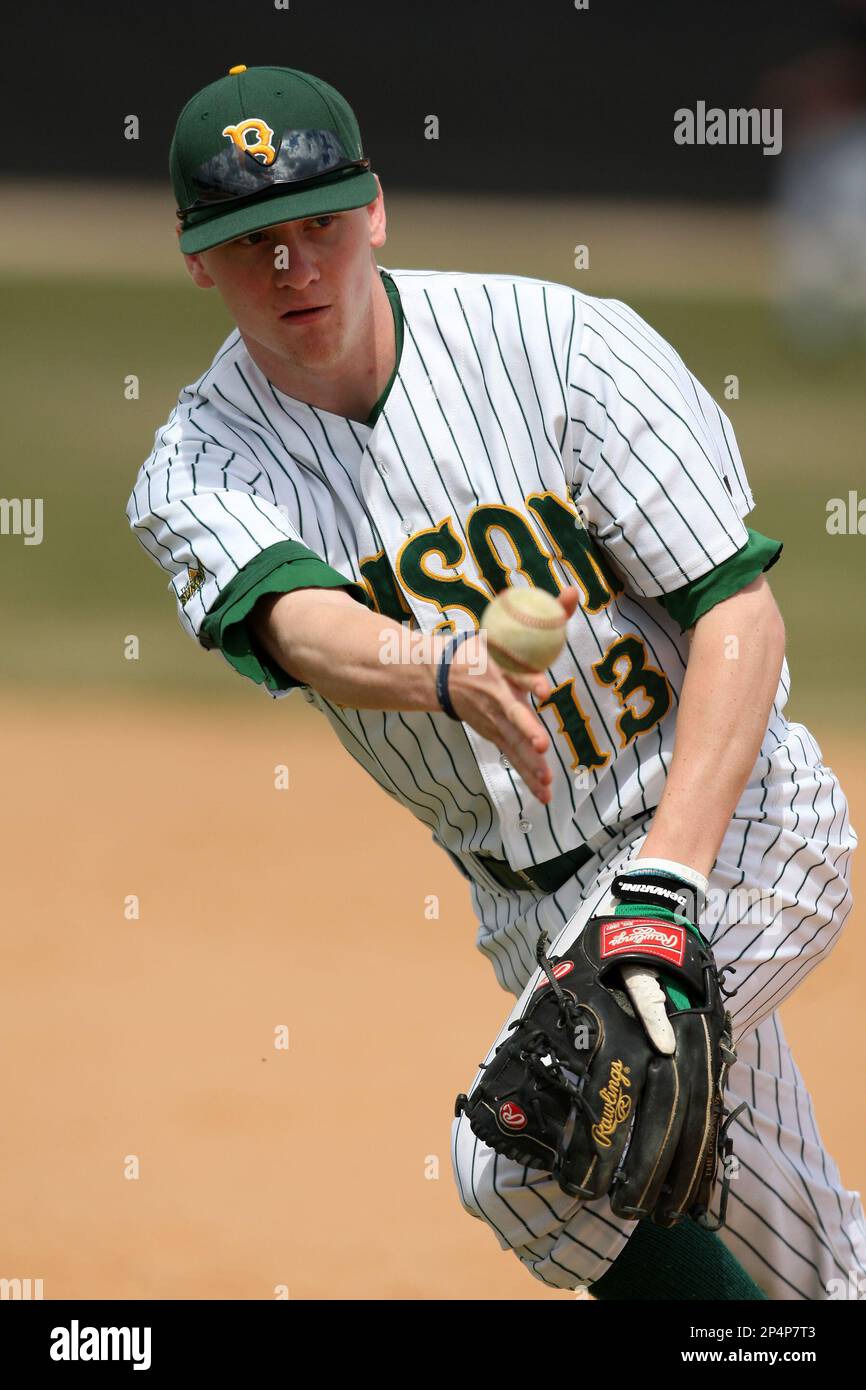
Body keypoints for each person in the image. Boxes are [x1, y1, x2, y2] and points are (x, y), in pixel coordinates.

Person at [126, 64, 865, 1300]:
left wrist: (663, 895)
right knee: (799, 1266)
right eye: (251, 241)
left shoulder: (559, 345)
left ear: (375, 210)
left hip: (729, 831)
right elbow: (300, 624)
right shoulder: (199, 461)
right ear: (198, 261)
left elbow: (736, 609)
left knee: (522, 1143)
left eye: (315, 223)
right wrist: (442, 665)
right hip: (525, 906)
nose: (292, 265)